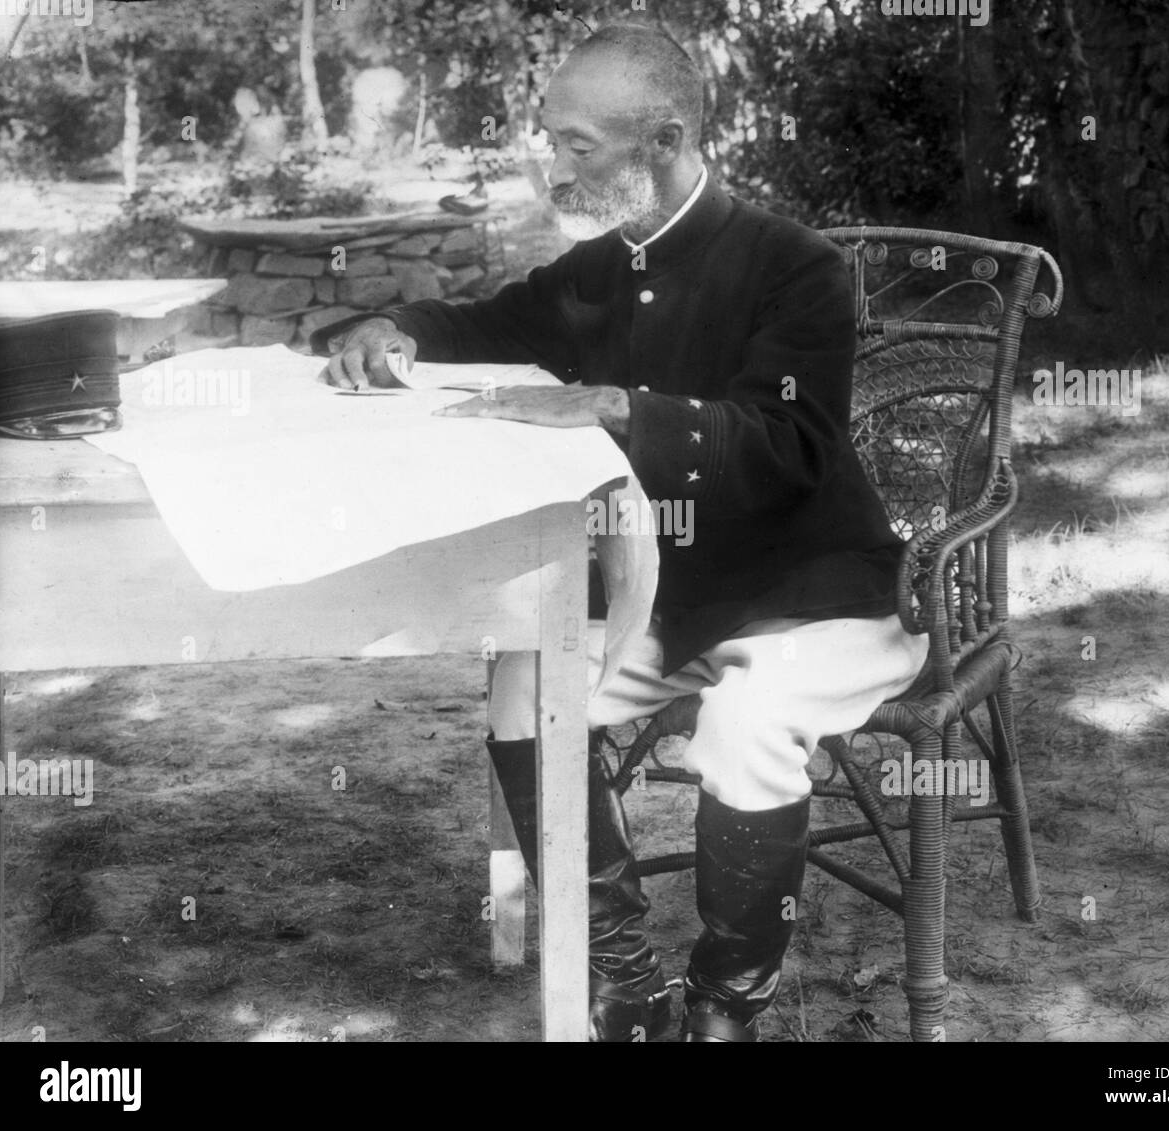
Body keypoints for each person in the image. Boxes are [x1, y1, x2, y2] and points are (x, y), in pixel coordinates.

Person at [315, 22, 928, 1043]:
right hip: (666, 596)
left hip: (819, 595)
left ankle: (727, 1008)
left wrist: (611, 405)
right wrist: (401, 331)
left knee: (747, 725)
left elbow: (788, 449)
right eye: (550, 141)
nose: (554, 167)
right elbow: (489, 325)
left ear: (666, 139)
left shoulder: (797, 266)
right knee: (523, 683)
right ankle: (621, 979)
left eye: (578, 146)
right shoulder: (599, 268)